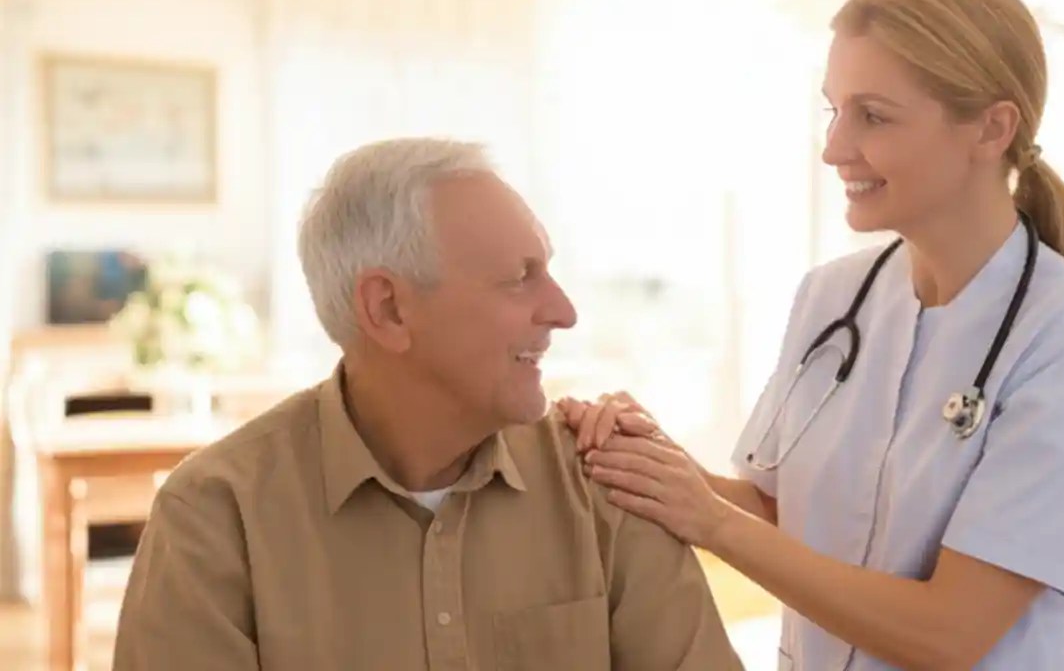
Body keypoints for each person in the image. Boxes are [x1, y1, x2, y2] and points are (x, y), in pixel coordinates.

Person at [561, 0, 1064, 671]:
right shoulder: (832, 299)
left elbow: (951, 635)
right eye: (833, 110)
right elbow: (785, 513)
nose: (835, 147)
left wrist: (709, 518)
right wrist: (655, 466)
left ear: (992, 128)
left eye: (872, 116)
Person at [112, 138, 743, 671]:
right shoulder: (215, 517)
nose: (564, 311)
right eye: (519, 277)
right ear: (388, 309)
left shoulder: (607, 481)